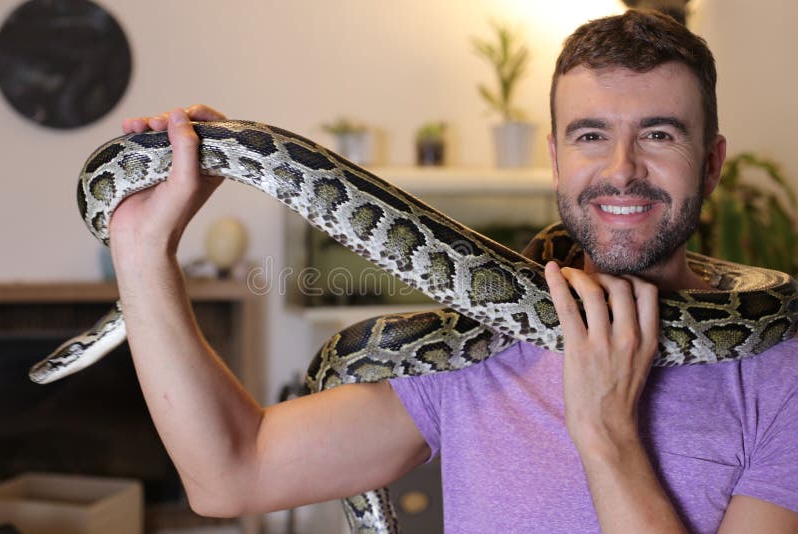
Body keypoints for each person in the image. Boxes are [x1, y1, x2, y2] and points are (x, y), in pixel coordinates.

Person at [111, 9, 798, 533]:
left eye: (659, 133)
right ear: (558, 160)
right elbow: (230, 475)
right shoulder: (476, 345)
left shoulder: (783, 375)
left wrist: (607, 431)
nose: (621, 170)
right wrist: (142, 251)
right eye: (591, 135)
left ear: (711, 163)